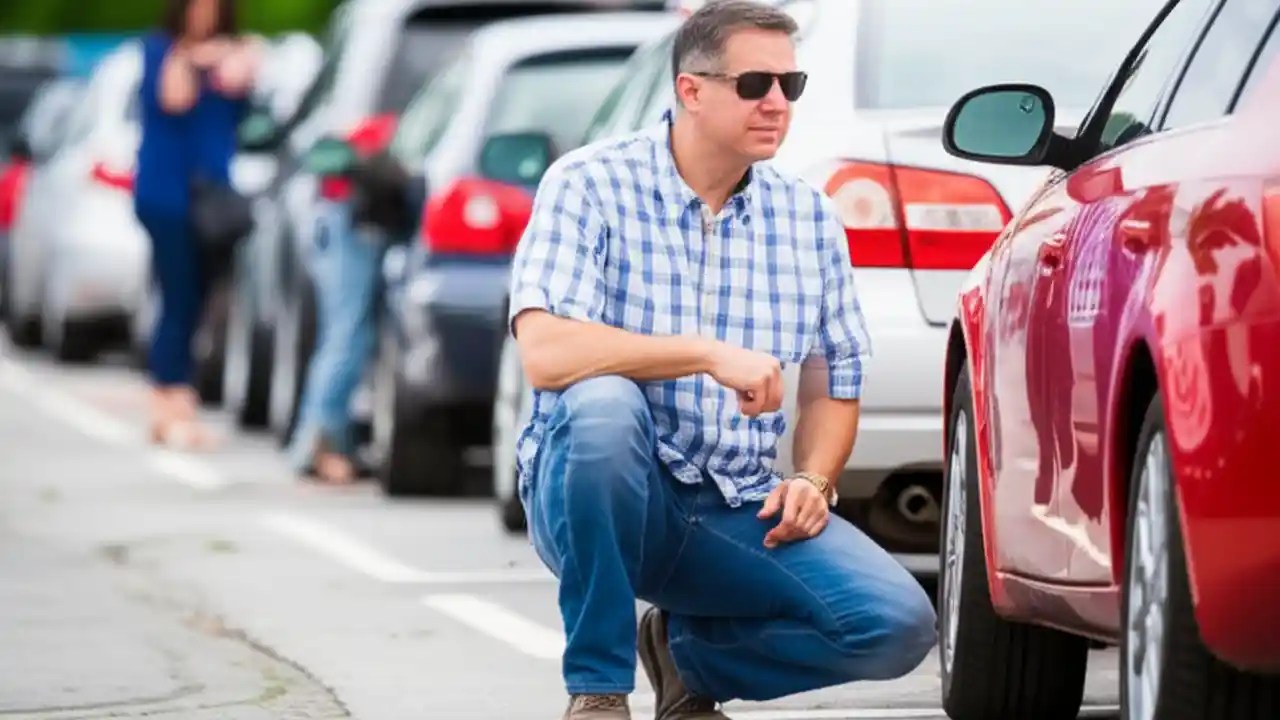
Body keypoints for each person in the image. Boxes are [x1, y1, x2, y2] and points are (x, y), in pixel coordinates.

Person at [506, 3, 937, 718]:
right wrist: (703, 354)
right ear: (690, 90)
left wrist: (812, 478)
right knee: (602, 405)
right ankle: (599, 689)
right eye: (755, 84)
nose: (776, 103)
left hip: (733, 505)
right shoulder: (586, 184)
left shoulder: (808, 217)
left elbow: (837, 381)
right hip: (604, 497)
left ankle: (688, 659)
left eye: (790, 86)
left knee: (896, 626)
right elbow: (547, 355)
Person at [134, 0, 261, 448]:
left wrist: (228, 55)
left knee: (202, 299)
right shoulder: (159, 51)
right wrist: (191, 56)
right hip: (167, 195)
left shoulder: (237, 49)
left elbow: (240, 79)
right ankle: (169, 400)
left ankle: (175, 396)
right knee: (178, 295)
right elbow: (175, 96)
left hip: (213, 201)